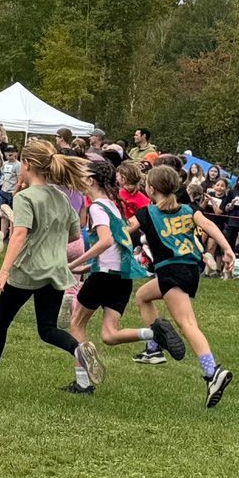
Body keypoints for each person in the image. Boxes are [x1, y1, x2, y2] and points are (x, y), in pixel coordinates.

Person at [0, 140, 90, 395]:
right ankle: (79, 349)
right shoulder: (62, 198)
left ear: (27, 165)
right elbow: (75, 235)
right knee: (48, 328)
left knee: (1, 321)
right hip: (55, 271)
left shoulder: (26, 197)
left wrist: (3, 271)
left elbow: (19, 235)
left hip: (27, 270)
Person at [129, 164, 236, 406]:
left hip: (170, 270)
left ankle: (212, 372)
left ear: (151, 188)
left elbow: (126, 230)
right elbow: (209, 226)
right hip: (189, 270)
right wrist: (227, 249)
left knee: (187, 324)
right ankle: (154, 347)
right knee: (143, 296)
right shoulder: (188, 209)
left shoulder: (147, 213)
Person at [65, 158, 156, 377]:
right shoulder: (114, 206)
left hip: (105, 277)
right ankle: (154, 333)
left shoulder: (97, 207)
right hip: (122, 277)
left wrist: (73, 263)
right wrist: (84, 269)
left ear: (91, 180)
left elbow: (105, 241)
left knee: (76, 325)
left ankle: (83, 381)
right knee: (110, 334)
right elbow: (114, 250)